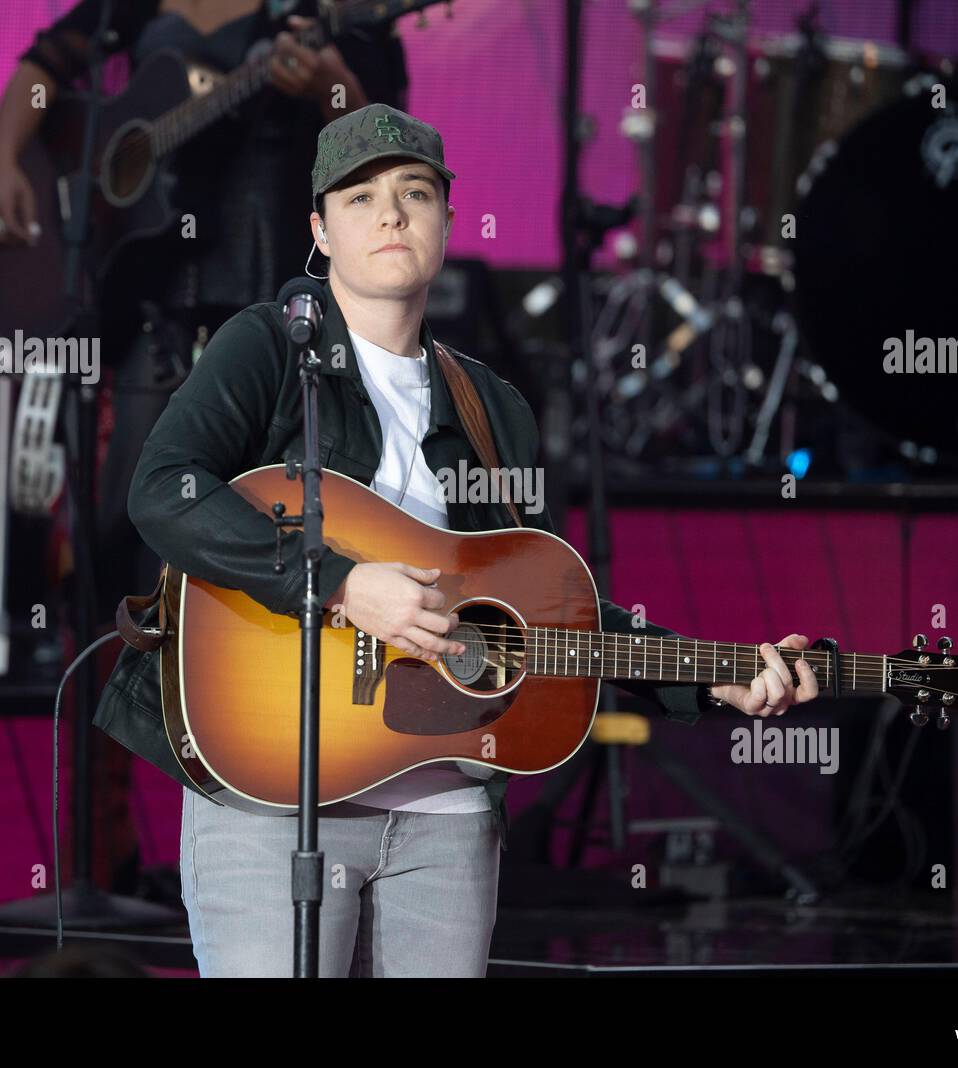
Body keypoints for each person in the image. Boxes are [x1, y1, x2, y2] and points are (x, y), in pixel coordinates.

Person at [121, 103, 820, 977]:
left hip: (447, 816)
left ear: (447, 219)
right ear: (319, 231)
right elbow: (163, 491)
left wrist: (713, 674)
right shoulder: (266, 348)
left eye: (415, 193)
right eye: (360, 197)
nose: (390, 215)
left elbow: (541, 609)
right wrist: (338, 582)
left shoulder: (493, 406)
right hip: (279, 795)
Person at [0, 0, 408, 892]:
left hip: (270, 329)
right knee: (113, 566)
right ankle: (99, 858)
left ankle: (266, 839)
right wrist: (5, 161)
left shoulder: (327, 14)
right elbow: (39, 67)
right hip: (144, 318)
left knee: (265, 570)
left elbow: (383, 154)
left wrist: (330, 86)